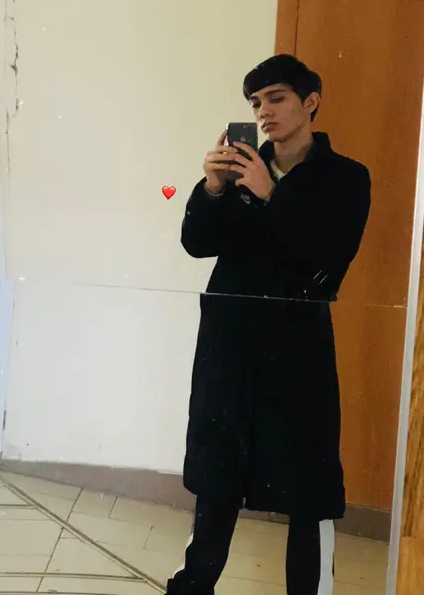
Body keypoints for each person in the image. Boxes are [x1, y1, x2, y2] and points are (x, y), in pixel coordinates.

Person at [166, 54, 371, 595]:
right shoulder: (240, 170)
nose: (264, 112)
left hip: (296, 350)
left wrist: (273, 195)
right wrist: (213, 188)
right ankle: (193, 586)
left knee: (309, 486)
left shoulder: (346, 178)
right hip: (229, 345)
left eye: (276, 98)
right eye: (256, 103)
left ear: (311, 101)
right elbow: (197, 244)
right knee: (217, 475)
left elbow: (330, 256)